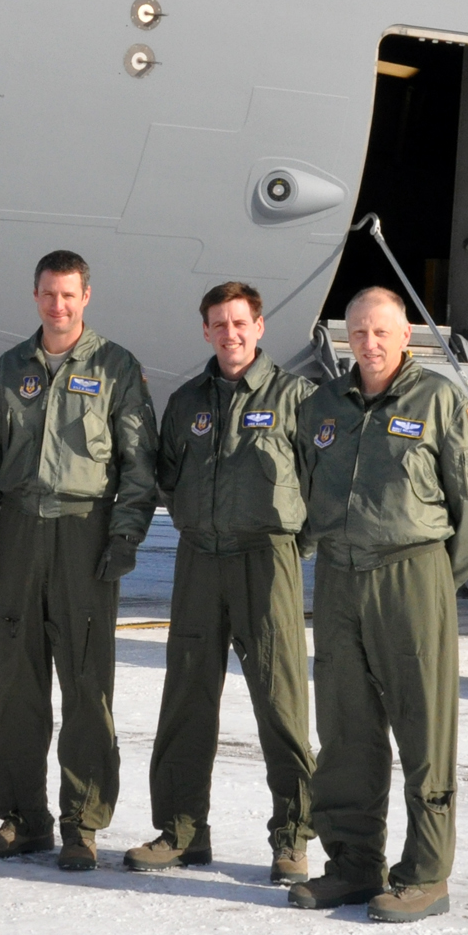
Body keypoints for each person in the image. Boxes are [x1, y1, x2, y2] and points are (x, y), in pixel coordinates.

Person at [289, 286, 468, 924]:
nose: (370, 343)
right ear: (344, 338)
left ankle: (425, 875)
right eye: (358, 333)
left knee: (423, 729)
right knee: (346, 728)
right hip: (338, 580)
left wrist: (437, 577)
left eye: (382, 332)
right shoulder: (324, 405)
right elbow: (301, 486)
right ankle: (354, 865)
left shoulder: (439, 399)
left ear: (406, 335)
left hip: (411, 578)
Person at [0, 250, 157, 872]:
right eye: (49, 294)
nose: (58, 305)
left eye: (69, 295)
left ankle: (82, 823)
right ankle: (23, 819)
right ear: (36, 295)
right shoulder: (9, 368)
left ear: (86, 296)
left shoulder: (114, 367)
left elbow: (138, 466)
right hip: (23, 531)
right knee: (16, 684)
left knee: (85, 682)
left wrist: (123, 538)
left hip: (84, 533)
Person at [125, 281, 316, 884]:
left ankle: (292, 836)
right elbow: (169, 478)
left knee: (281, 703)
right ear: (205, 331)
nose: (230, 334)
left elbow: (322, 484)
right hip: (199, 561)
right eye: (218, 324)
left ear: (259, 327)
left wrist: (292, 548)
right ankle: (183, 829)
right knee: (185, 699)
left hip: (267, 560)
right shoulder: (186, 403)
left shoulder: (298, 399)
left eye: (240, 323)